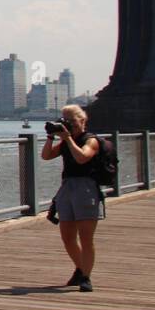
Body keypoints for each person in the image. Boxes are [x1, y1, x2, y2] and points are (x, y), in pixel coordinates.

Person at [41, 103, 101, 292]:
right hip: (67, 187)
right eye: (66, 121)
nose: (70, 125)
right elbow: (46, 156)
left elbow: (82, 157)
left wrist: (68, 139)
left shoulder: (90, 140)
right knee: (67, 237)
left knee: (85, 237)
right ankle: (80, 268)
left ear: (83, 120)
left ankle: (86, 277)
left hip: (87, 188)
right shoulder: (67, 141)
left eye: (73, 121)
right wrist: (51, 136)